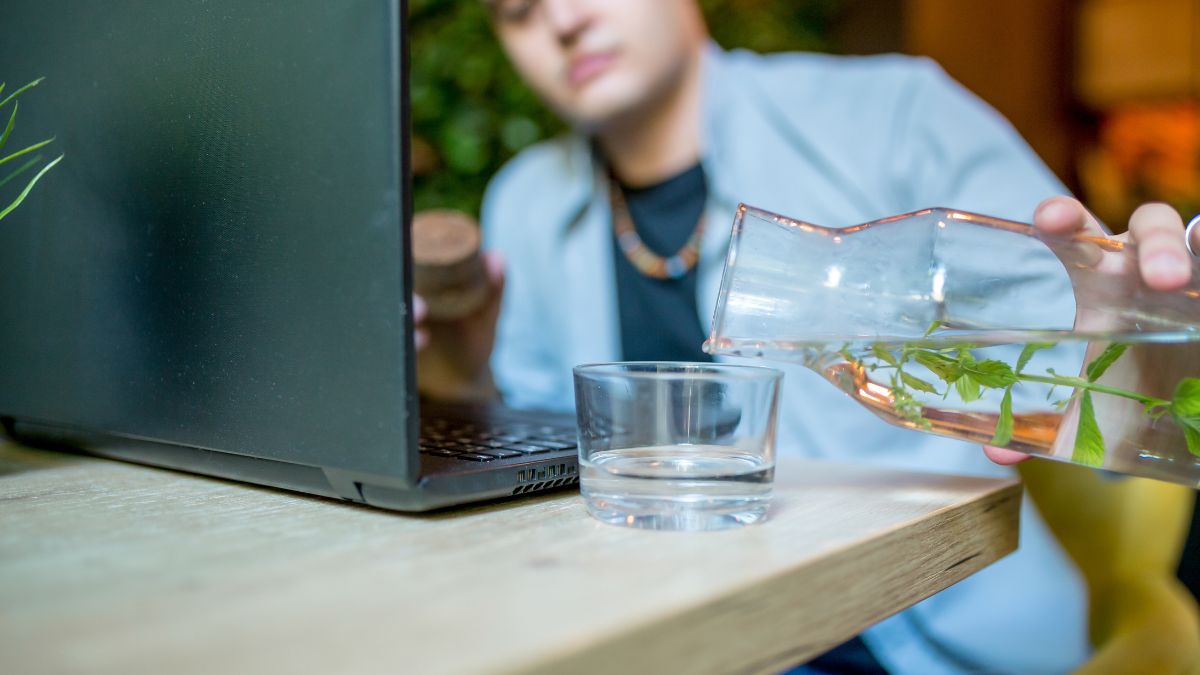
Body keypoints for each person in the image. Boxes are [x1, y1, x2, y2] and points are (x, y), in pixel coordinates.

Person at [414, 0, 1200, 672]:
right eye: (516, 8)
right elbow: (546, 474)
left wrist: (1155, 355)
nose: (561, 19)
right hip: (666, 633)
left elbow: (1100, 371)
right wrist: (462, 373)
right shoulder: (524, 204)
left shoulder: (892, 113)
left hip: (919, 634)